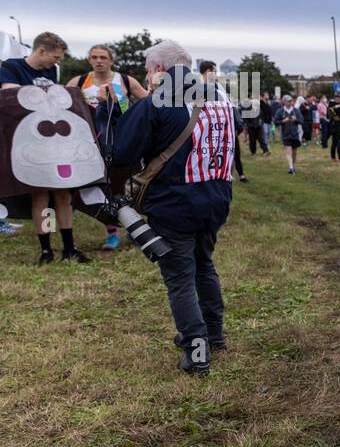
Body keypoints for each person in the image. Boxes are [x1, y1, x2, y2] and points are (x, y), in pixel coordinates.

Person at [111, 40, 235, 375]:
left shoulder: (158, 101)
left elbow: (122, 153)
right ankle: (215, 335)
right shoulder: (221, 96)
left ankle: (197, 352)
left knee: (180, 278)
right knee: (204, 265)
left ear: (160, 69)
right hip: (217, 197)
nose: (148, 77)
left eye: (149, 70)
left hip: (176, 201)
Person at [0, 31, 93, 263]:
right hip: (32, 145)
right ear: (41, 50)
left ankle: (69, 247)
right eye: (55, 57)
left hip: (58, 143)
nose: (57, 62)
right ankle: (46, 248)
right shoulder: (11, 68)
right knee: (40, 197)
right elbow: (14, 96)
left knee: (62, 195)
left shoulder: (50, 71)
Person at [65, 44, 150, 250]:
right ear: (89, 60)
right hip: (90, 144)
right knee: (103, 188)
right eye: (94, 57)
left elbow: (148, 103)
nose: (99, 61)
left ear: (111, 60)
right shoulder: (78, 82)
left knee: (125, 185)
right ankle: (111, 232)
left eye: (103, 57)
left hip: (121, 142)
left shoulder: (125, 81)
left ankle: (132, 227)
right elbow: (63, 107)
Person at [273, 94, 303, 173]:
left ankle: (293, 165)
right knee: (288, 150)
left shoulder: (295, 110)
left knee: (294, 151)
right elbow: (275, 122)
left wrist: (295, 119)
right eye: (288, 101)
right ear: (284, 102)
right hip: (285, 134)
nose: (290, 102)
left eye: (291, 101)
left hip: (295, 134)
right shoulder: (280, 111)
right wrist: (283, 121)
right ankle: (290, 167)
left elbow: (301, 120)